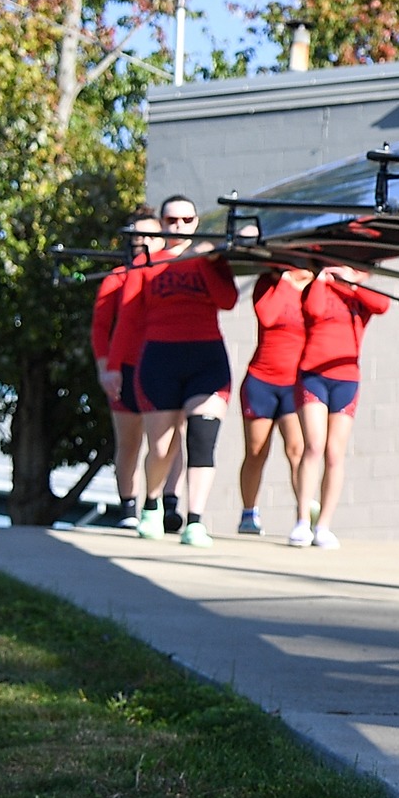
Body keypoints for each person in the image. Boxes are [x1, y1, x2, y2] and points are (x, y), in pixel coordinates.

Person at [111, 194, 238, 547]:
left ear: (197, 222)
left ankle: (195, 520)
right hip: (160, 360)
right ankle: (151, 505)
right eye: (172, 221)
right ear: (162, 224)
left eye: (186, 220)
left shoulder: (209, 261)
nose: (179, 227)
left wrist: (210, 260)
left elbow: (227, 300)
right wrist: (113, 367)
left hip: (206, 358)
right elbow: (128, 319)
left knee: (202, 437)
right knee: (162, 446)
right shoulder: (145, 264)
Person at [288, 265, 390, 549]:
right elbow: (314, 310)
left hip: (346, 378)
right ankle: (302, 520)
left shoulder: (360, 296)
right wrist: (324, 279)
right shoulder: (318, 288)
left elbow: (382, 305)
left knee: (335, 452)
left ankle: (324, 525)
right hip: (313, 375)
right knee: (314, 446)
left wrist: (353, 284)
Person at [91, 209, 181, 528]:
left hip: (164, 364)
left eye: (149, 235)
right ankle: (127, 507)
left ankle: (167, 502)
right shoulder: (117, 277)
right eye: (137, 236)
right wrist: (106, 369)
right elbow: (101, 328)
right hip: (126, 368)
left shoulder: (173, 272)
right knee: (129, 441)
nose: (142, 242)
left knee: (170, 437)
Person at [237, 267, 313, 536]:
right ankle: (249, 512)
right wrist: (286, 282)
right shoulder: (267, 283)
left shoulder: (315, 287)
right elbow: (267, 316)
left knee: (297, 450)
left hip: (295, 383)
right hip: (262, 380)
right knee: (257, 452)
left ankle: (303, 516)